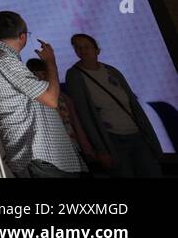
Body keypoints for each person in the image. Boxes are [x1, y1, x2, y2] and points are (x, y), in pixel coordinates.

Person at [0, 10, 85, 177]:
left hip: (35, 156)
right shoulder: (5, 60)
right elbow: (51, 99)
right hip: (37, 154)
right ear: (23, 37)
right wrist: (50, 63)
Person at [65, 33, 163, 177]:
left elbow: (133, 105)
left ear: (97, 50)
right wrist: (101, 149)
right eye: (78, 47)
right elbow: (84, 114)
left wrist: (150, 136)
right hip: (112, 138)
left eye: (86, 46)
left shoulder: (111, 71)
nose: (82, 50)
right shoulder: (74, 75)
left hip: (136, 133)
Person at [27, 57, 93, 166]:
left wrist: (86, 146)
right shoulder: (31, 99)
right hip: (52, 152)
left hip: (73, 146)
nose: (40, 78)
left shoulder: (63, 97)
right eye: (35, 74)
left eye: (43, 74)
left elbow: (75, 122)